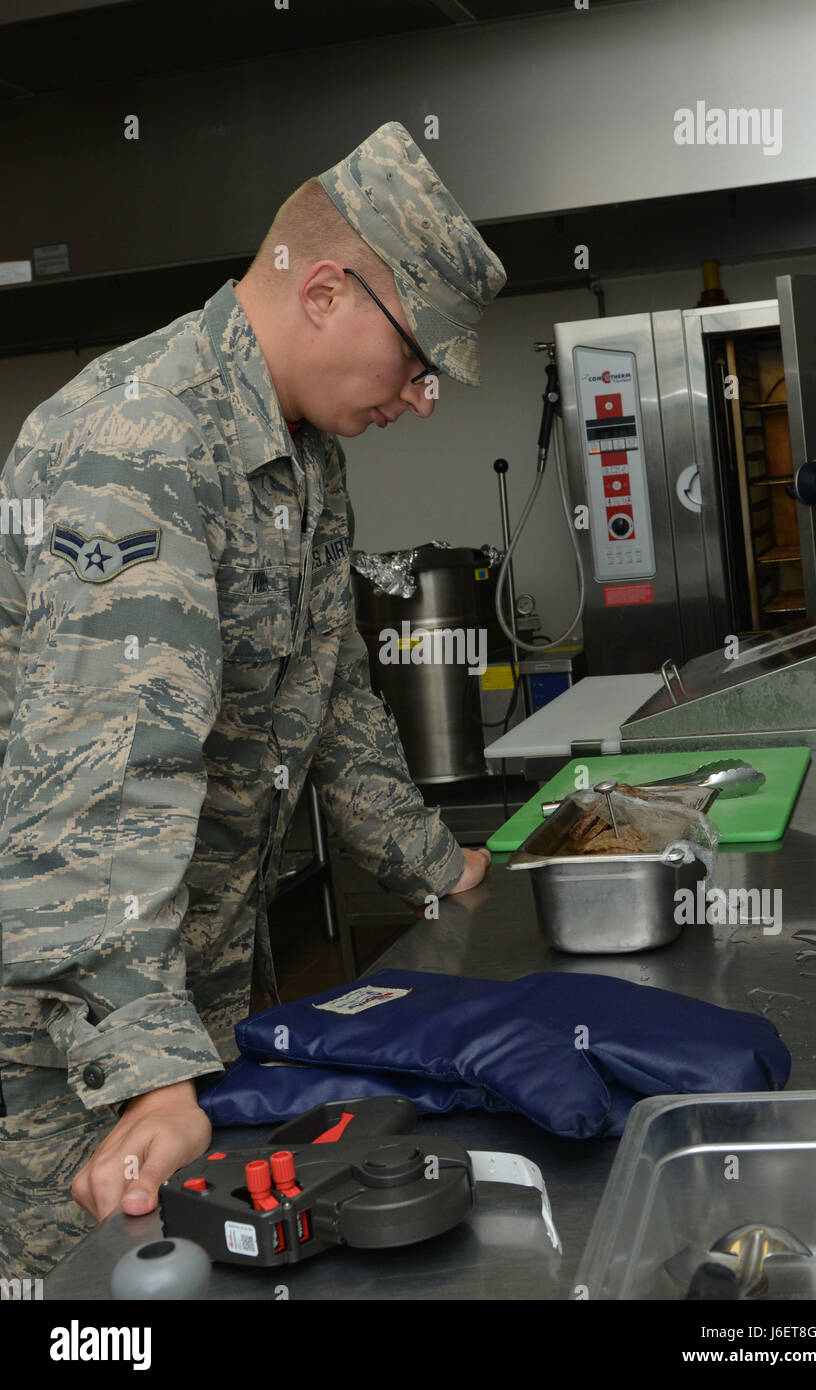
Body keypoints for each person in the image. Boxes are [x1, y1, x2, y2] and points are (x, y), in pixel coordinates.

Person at [0, 120, 506, 1287]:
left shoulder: (305, 463)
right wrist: (150, 1072)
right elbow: (98, 790)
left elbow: (332, 701)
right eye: (419, 356)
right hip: (71, 1037)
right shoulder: (137, 443)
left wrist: (440, 863)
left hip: (196, 1003)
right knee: (92, 1299)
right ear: (324, 290)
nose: (424, 399)